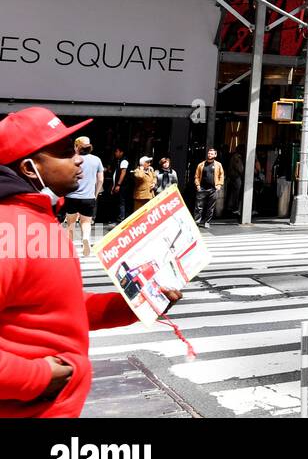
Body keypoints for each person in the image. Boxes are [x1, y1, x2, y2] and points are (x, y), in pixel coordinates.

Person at [0, 107, 181, 417]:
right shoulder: (10, 229)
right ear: (29, 168)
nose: (78, 158)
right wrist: (38, 377)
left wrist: (133, 306)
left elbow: (56, 305)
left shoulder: (35, 220)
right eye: (63, 152)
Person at [65, 137, 102, 258]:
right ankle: (85, 239)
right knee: (86, 222)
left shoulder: (71, 159)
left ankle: (70, 248)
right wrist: (95, 194)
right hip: (88, 197)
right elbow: (100, 179)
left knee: (70, 223)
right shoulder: (96, 160)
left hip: (71, 196)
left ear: (77, 146)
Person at [193, 148, 224, 229]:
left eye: (211, 153)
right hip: (202, 188)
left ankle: (207, 222)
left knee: (210, 207)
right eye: (209, 153)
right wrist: (198, 185)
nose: (209, 155)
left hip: (213, 189)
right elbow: (196, 176)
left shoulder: (218, 165)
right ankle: (197, 221)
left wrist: (219, 185)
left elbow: (221, 175)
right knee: (198, 206)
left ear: (215, 155)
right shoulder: (201, 165)